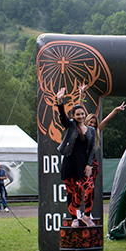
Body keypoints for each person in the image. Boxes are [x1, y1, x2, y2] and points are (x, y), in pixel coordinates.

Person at [55, 87, 97, 226]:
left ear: (85, 115)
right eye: (77, 114)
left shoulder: (91, 130)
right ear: (73, 116)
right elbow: (62, 116)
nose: (80, 116)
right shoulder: (71, 125)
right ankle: (74, 218)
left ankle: (87, 215)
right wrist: (60, 100)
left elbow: (92, 149)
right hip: (69, 163)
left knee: (90, 187)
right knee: (71, 192)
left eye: (82, 114)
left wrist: (89, 164)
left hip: (83, 165)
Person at [85, 86, 126, 217]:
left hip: (92, 164)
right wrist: (81, 94)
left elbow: (106, 120)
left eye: (94, 123)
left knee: (90, 188)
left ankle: (88, 213)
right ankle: (78, 212)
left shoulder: (95, 133)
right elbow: (79, 110)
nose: (92, 125)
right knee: (79, 188)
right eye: (90, 122)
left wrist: (115, 110)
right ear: (86, 122)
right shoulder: (81, 131)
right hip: (81, 163)